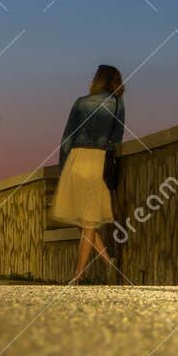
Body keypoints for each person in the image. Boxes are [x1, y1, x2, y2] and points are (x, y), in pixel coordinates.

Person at [52, 64, 125, 282]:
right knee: (88, 221)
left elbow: (67, 138)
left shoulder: (80, 103)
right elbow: (117, 137)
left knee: (83, 221)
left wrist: (62, 167)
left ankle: (83, 272)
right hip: (97, 160)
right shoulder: (117, 103)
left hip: (76, 159)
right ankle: (97, 265)